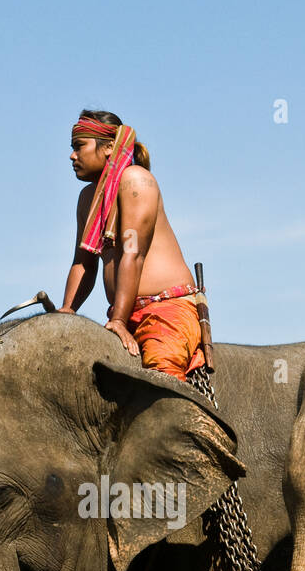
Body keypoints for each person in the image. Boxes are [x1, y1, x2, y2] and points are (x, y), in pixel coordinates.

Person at [59, 110, 205, 380]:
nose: (72, 156)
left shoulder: (136, 180)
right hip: (122, 313)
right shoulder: (86, 199)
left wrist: (119, 321)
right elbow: (84, 263)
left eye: (79, 146)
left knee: (161, 392)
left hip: (165, 311)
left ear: (109, 147)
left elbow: (132, 253)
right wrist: (66, 310)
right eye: (72, 148)